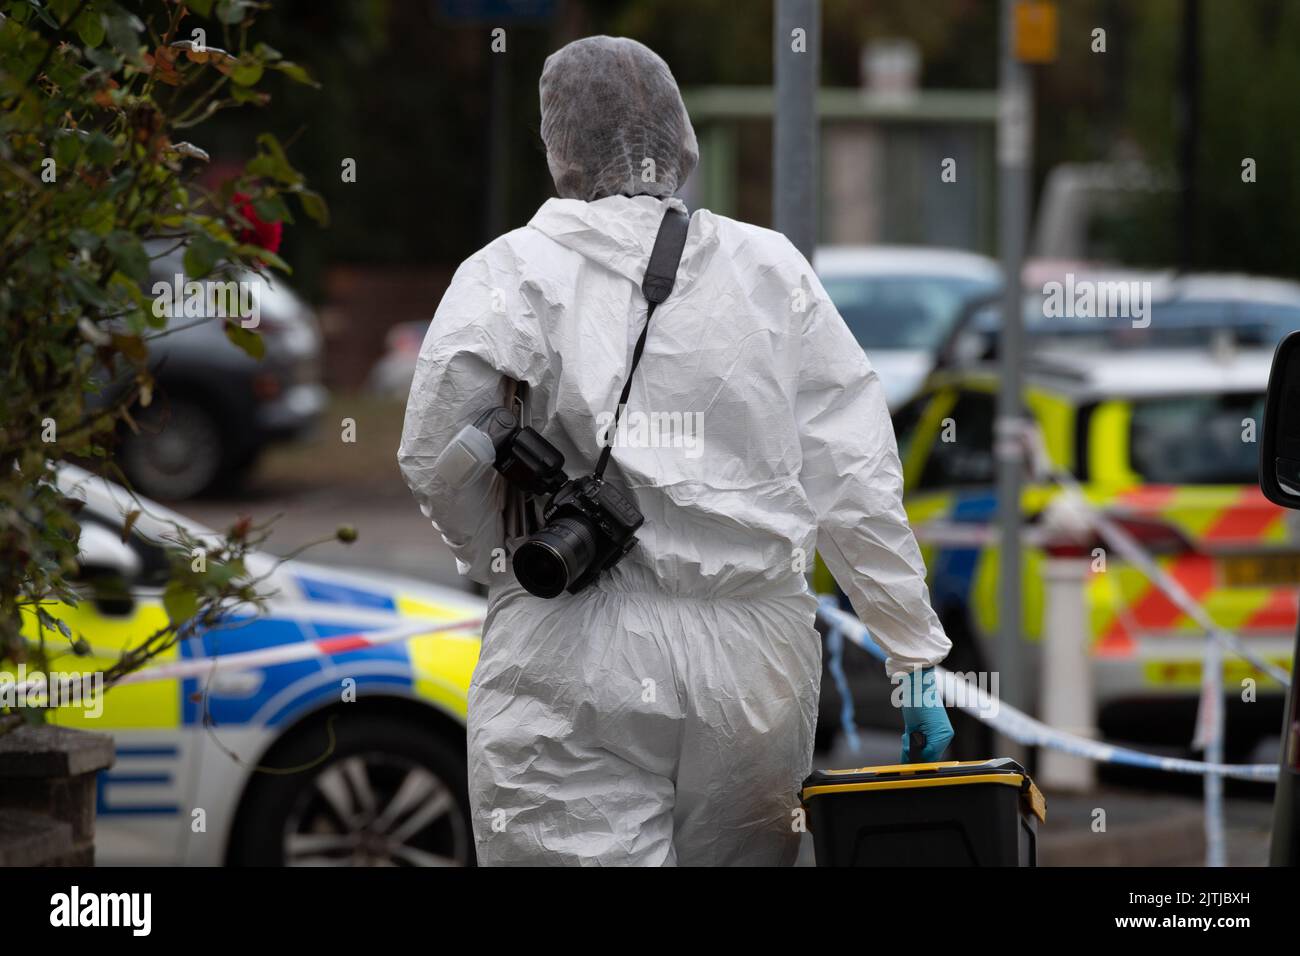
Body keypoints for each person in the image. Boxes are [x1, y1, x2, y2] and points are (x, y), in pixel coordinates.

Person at [398, 35, 953, 867]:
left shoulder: (509, 274)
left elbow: (436, 459)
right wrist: (911, 655)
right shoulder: (770, 270)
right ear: (680, 140)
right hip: (755, 663)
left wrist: (520, 563)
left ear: (557, 146)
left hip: (573, 649)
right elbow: (856, 482)